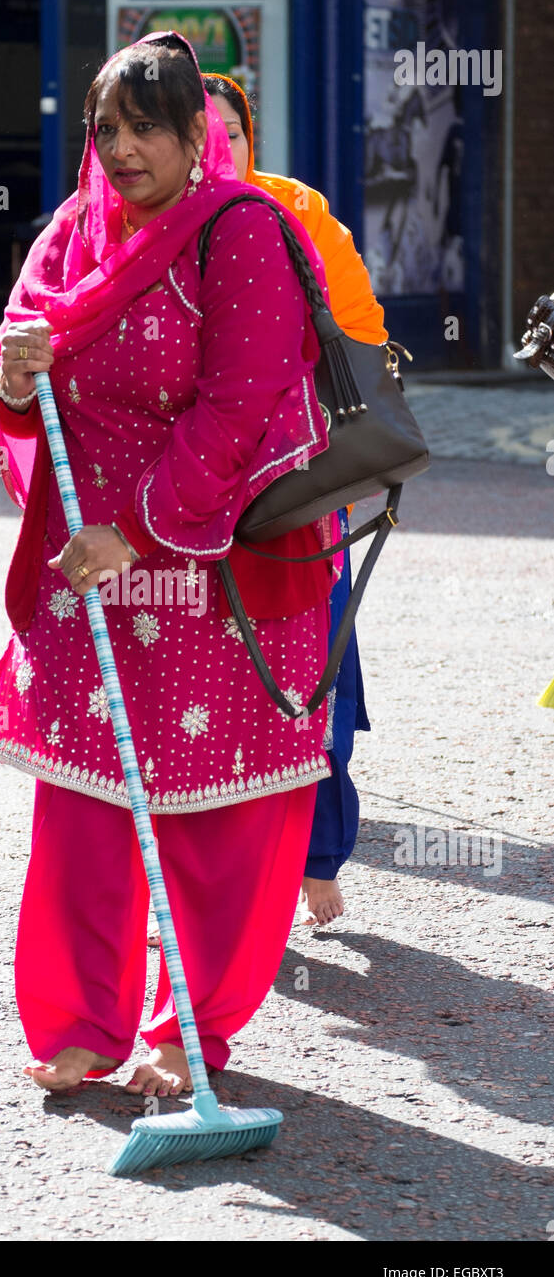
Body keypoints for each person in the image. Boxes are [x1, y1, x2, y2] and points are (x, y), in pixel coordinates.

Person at [0, 32, 342, 1098]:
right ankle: (82, 1020)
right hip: (88, 574)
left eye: (149, 128)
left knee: (213, 819)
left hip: (216, 572)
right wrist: (20, 380)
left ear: (196, 136)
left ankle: (189, 1028)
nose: (125, 149)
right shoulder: (73, 235)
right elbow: (5, 372)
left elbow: (241, 408)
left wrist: (133, 531)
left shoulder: (243, 234)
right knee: (86, 807)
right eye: (109, 129)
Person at [199, 72, 386, 928]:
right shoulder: (135, 228)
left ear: (250, 137)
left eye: (229, 132)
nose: (215, 150)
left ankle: (315, 856)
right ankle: (218, 876)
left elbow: (362, 341)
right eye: (195, 133)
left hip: (297, 482)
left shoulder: (293, 211)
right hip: (184, 499)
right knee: (201, 679)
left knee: (311, 673)